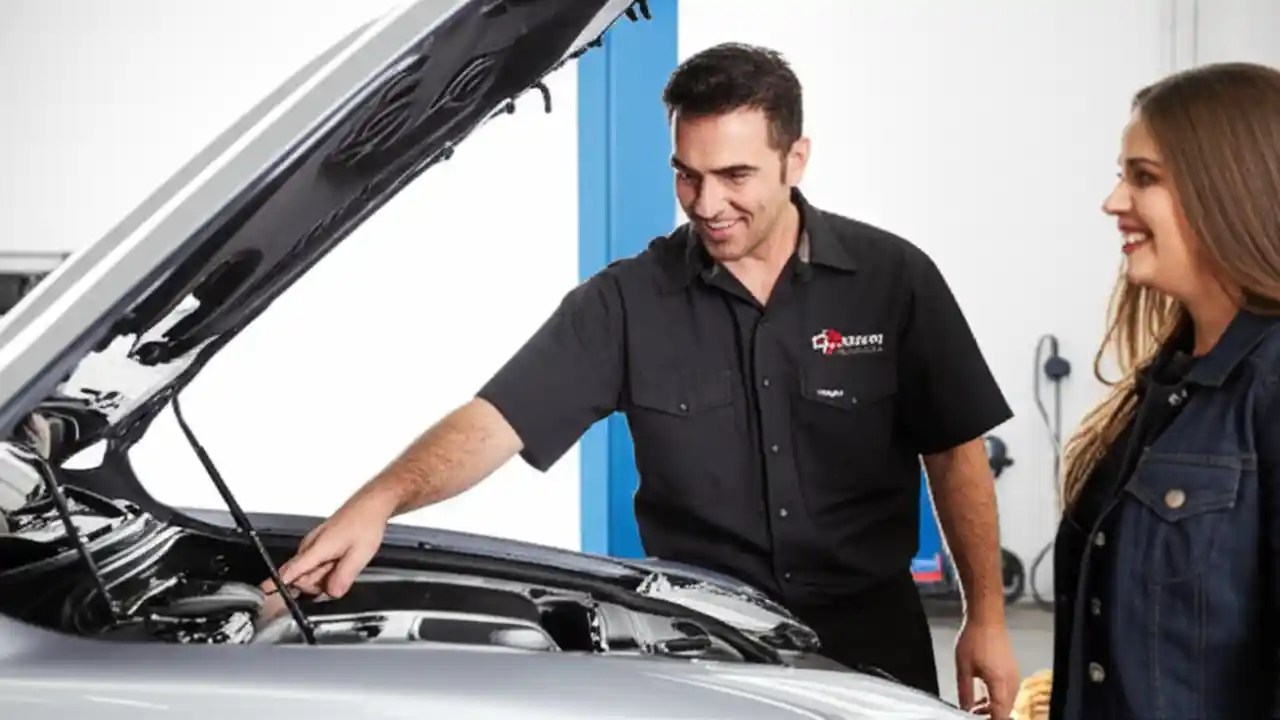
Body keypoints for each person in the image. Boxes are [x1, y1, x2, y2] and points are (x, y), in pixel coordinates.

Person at [273, 42, 1019, 715]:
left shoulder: (894, 281)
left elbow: (955, 451)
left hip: (874, 650)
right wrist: (379, 501)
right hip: (706, 660)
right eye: (686, 176)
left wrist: (984, 615)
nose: (707, 204)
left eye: (735, 176)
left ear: (797, 161)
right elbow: (494, 421)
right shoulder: (629, 302)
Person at [1050, 61, 1280, 720]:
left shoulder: (1268, 384)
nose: (1114, 201)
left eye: (1143, 178)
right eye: (1122, 174)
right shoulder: (1169, 384)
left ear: (1229, 190)